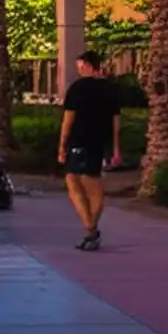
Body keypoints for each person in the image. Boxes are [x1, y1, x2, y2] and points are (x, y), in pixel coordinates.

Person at [58, 50, 122, 251]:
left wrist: (61, 146)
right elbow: (116, 122)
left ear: (86, 65)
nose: (78, 70)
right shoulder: (110, 89)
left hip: (78, 141)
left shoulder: (77, 88)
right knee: (94, 185)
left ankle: (90, 229)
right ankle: (91, 230)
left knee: (74, 183)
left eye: (79, 66)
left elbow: (68, 120)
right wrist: (116, 149)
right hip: (98, 143)